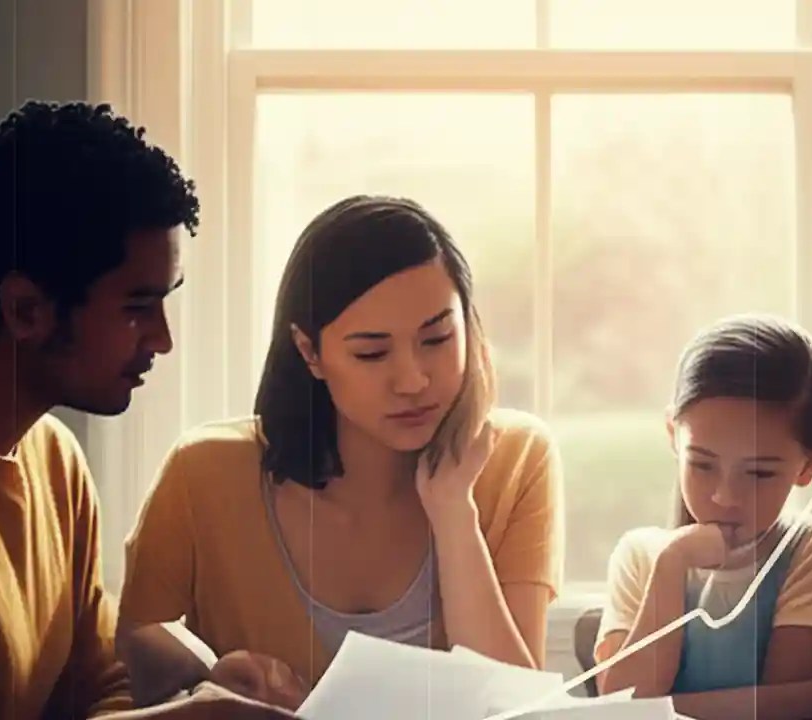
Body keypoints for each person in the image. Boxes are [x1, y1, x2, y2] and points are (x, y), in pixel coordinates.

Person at [115, 195, 565, 707]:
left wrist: (454, 511)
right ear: (310, 351)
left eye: (438, 338)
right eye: (371, 353)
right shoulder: (203, 473)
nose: (413, 380)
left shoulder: (517, 461)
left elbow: (518, 709)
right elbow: (136, 657)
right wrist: (208, 681)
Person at [0, 101, 295, 718]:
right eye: (138, 306)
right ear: (25, 309)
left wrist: (203, 700)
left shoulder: (55, 462)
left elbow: (95, 690)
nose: (162, 339)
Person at [592, 314, 812, 720]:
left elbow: (776, 713)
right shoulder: (643, 556)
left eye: (759, 473)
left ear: (810, 463)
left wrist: (653, 713)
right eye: (702, 464)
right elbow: (622, 710)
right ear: (672, 436)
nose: (725, 497)